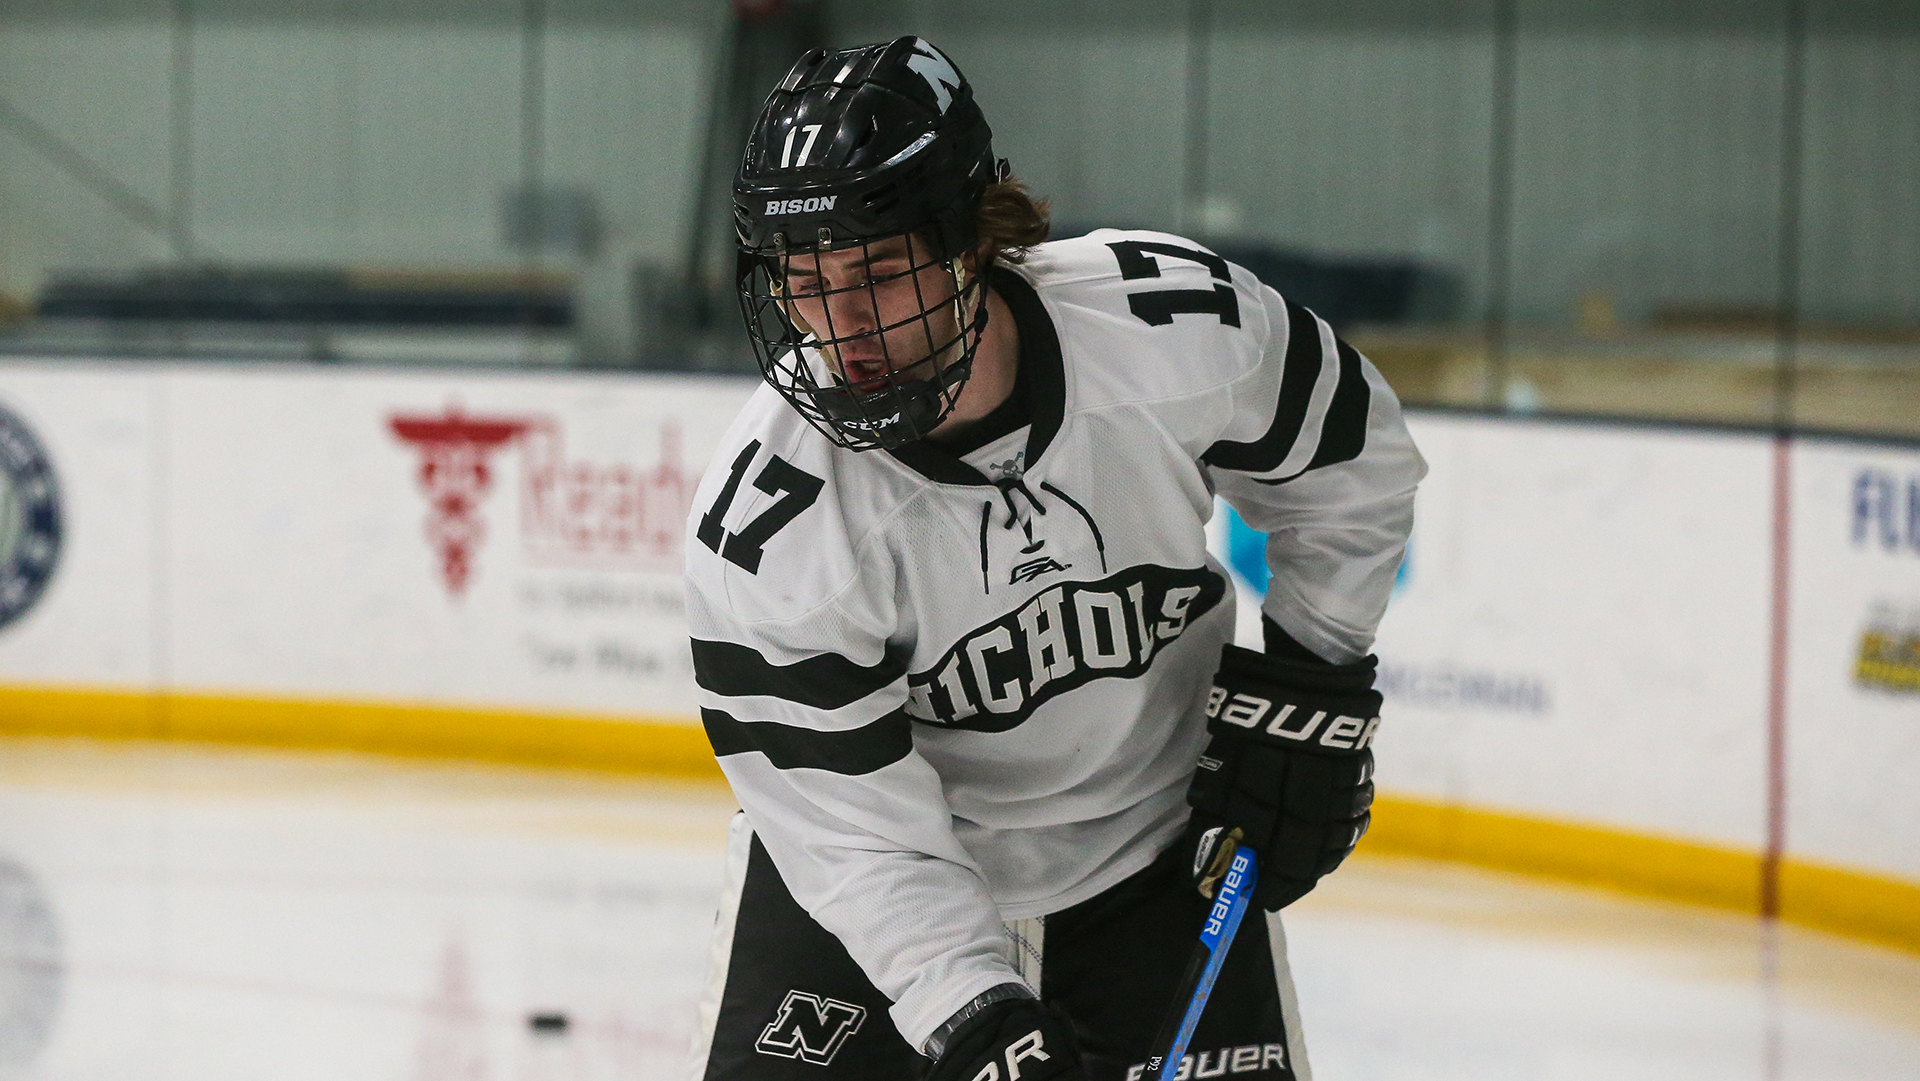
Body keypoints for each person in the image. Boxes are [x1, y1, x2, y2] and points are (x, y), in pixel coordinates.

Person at [683, 36, 1423, 1081]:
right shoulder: (775, 525)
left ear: (973, 240)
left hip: (1155, 865)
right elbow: (845, 826)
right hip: (863, 917)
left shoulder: (1169, 331)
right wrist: (973, 1013)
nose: (840, 328)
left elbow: (1351, 459)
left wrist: (1319, 671)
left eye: (879, 273)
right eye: (805, 281)